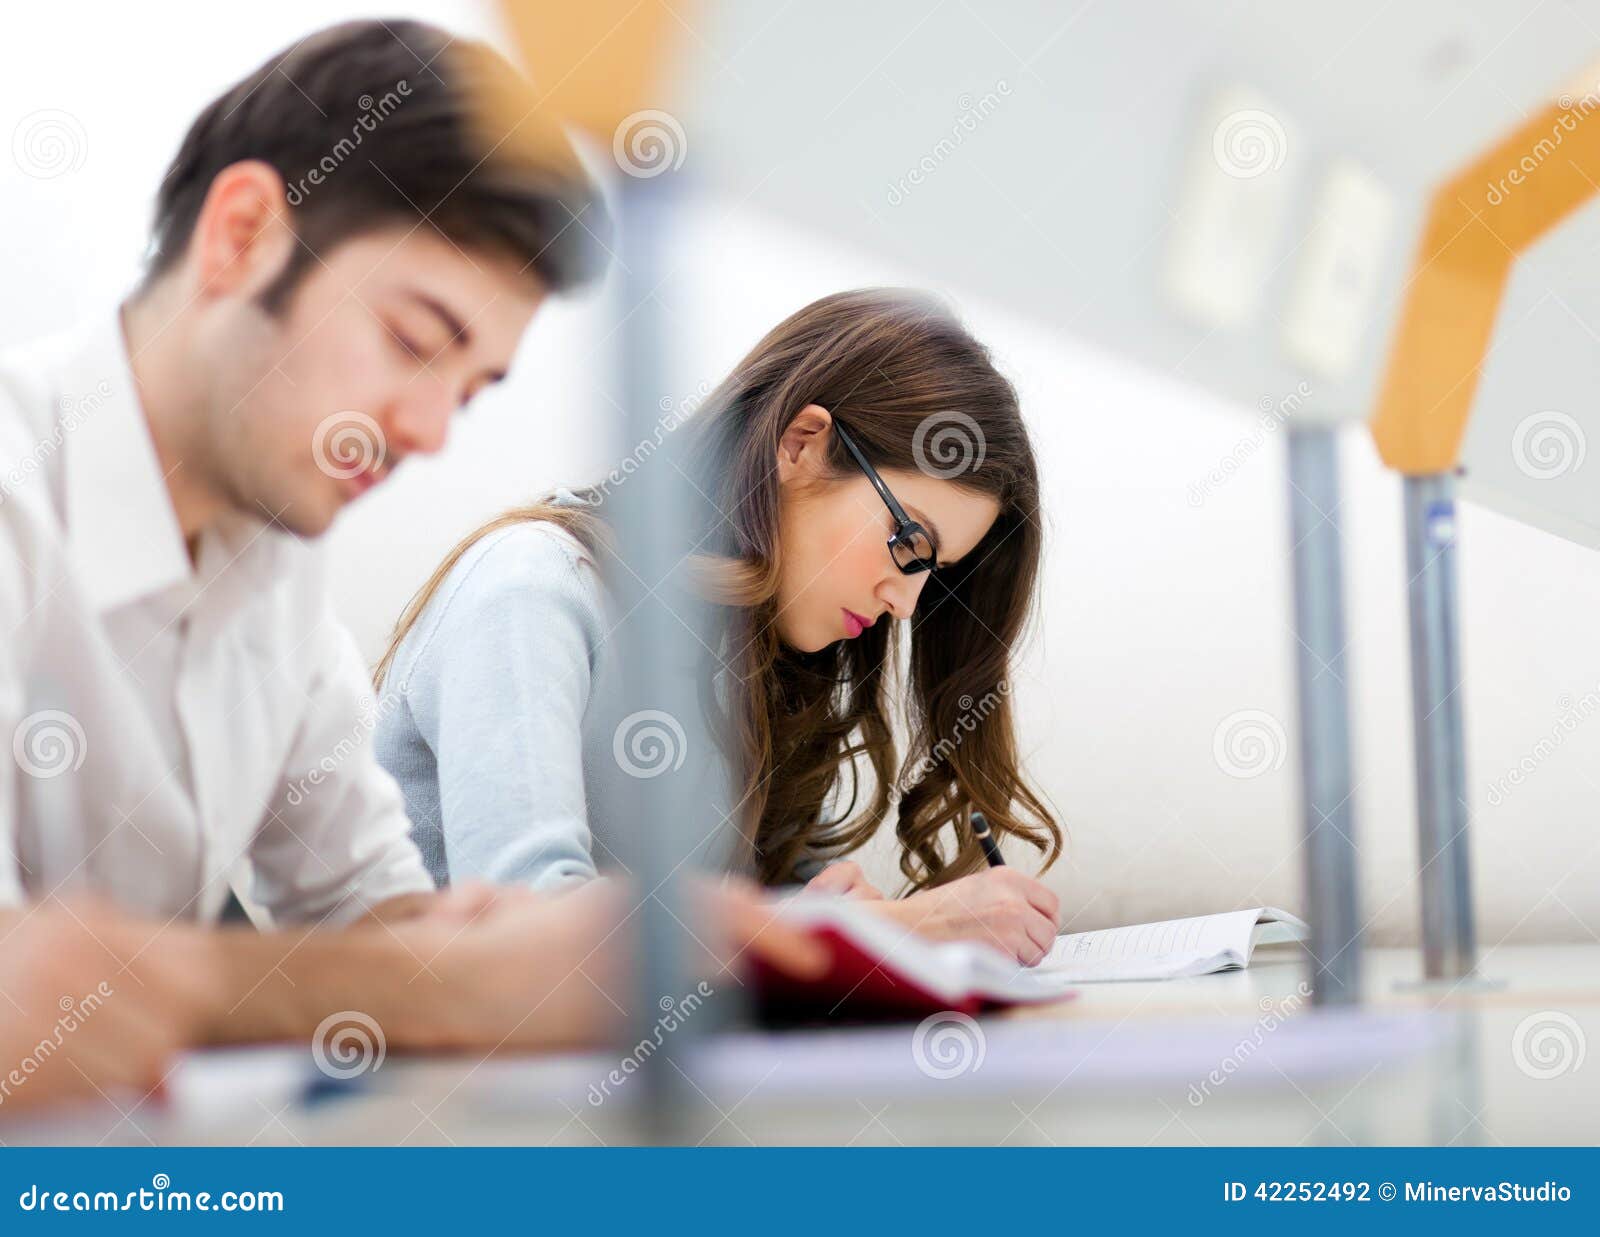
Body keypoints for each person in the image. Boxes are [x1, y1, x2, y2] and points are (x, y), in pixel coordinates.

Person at [0, 18, 821, 1080]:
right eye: (413, 341)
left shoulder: (272, 559)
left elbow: (370, 917)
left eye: (469, 388)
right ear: (242, 233)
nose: (433, 430)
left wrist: (599, 943)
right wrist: (450, 981)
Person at [375, 289, 1066, 965]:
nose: (907, 603)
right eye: (908, 542)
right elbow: (528, 933)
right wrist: (883, 928)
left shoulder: (767, 655)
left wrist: (820, 911)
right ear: (801, 443)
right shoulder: (532, 585)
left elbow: (744, 939)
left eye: (934, 573)